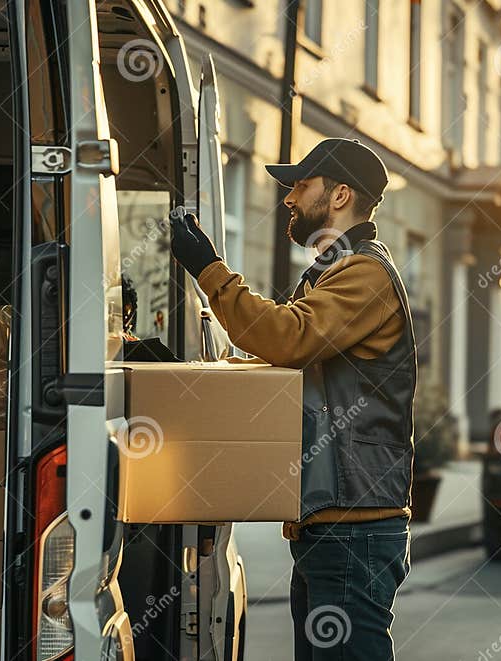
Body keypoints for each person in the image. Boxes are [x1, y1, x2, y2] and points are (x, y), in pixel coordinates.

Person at [170, 138, 417, 660]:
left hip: (356, 524)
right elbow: (282, 362)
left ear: (341, 194)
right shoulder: (332, 273)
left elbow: (287, 337)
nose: (289, 198)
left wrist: (209, 268)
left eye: (301, 186)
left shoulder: (366, 275)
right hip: (330, 521)